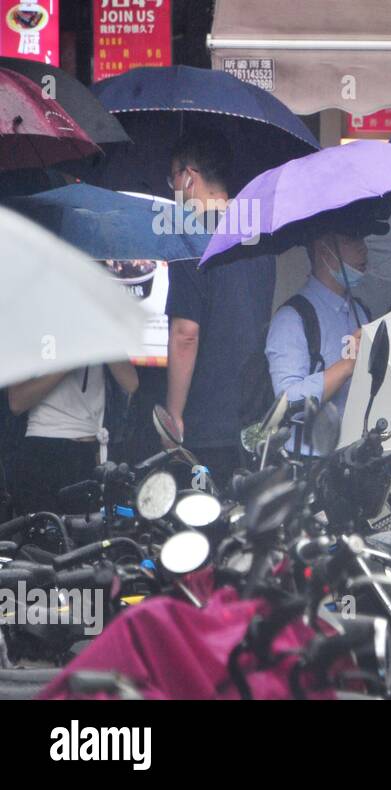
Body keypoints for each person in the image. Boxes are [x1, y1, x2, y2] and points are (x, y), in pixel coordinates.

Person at [163, 128, 276, 486]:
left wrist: (174, 415)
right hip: (253, 418)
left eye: (172, 179)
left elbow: (185, 333)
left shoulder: (191, 237)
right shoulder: (259, 237)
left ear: (188, 177)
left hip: (204, 421)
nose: (172, 190)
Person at [264, 228, 372, 450]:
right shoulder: (292, 319)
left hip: (355, 461)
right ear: (324, 249)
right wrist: (346, 366)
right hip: (309, 468)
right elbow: (285, 402)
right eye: (351, 239)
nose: (363, 248)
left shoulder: (360, 312)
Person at [6, 362, 138, 514]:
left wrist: (103, 342)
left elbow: (131, 383)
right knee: (45, 528)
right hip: (44, 445)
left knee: (90, 530)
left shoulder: (101, 339)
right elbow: (16, 402)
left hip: (88, 449)